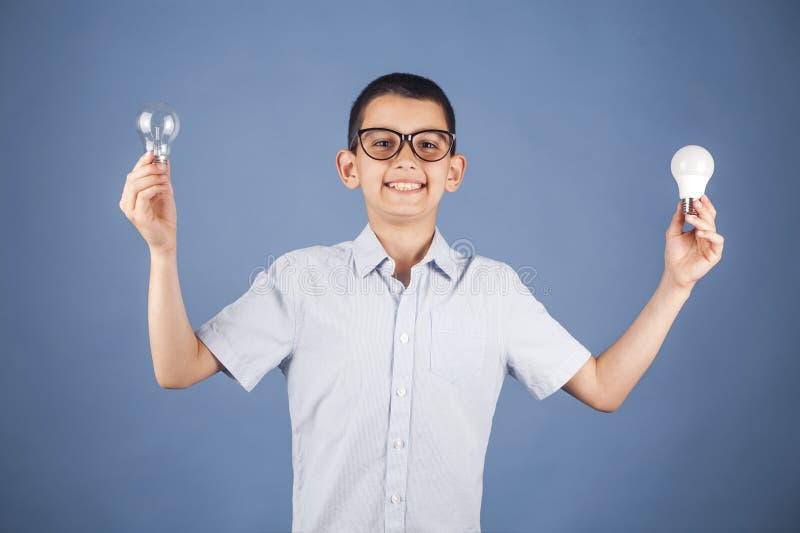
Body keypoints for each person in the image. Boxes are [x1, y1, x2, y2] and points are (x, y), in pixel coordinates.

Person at [118, 72, 725, 532]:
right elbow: (177, 368)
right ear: (349, 166)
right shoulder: (300, 280)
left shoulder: (495, 291)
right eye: (382, 143)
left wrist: (678, 283)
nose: (406, 157)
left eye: (427, 145)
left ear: (454, 170)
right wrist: (162, 251)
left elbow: (604, 387)